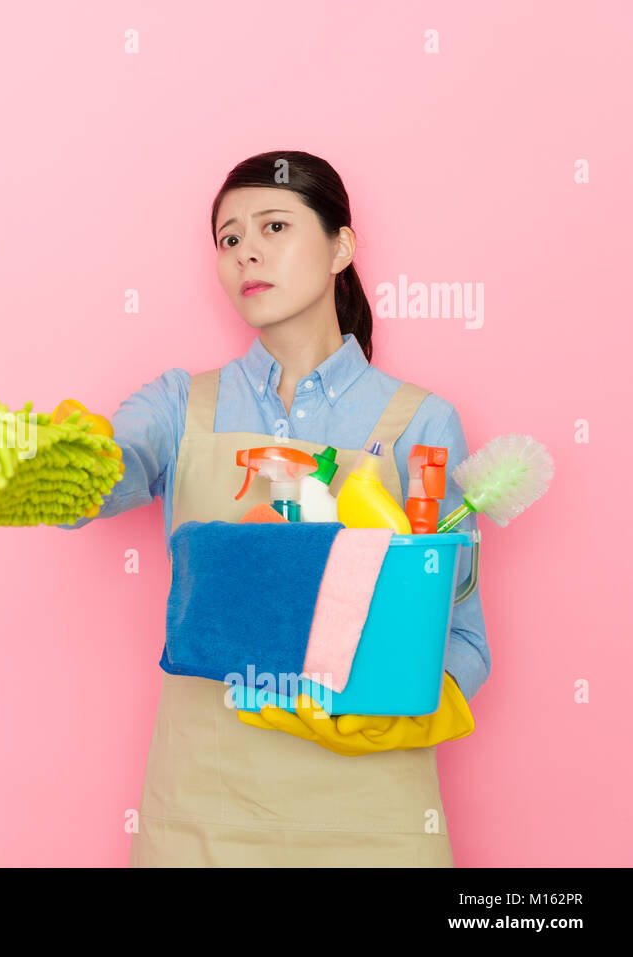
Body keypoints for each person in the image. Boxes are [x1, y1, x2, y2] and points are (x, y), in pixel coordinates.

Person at [57, 150, 488, 867]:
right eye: (229, 238)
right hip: (203, 818)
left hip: (374, 819)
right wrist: (56, 463)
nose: (246, 251)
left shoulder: (420, 422)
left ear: (341, 247)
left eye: (274, 225)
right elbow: (107, 473)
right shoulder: (178, 406)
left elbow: (464, 638)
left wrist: (406, 706)